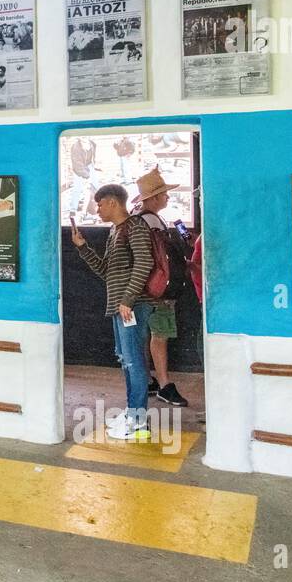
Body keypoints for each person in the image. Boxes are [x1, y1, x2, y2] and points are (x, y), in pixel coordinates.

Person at [71, 183, 156, 440]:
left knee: (134, 360)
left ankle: (139, 421)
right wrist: (83, 247)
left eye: (99, 204)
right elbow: (106, 272)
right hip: (120, 306)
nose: (97, 209)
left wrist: (128, 299)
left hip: (132, 307)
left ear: (112, 202)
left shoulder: (135, 226)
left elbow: (145, 262)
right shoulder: (115, 231)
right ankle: (132, 412)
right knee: (126, 359)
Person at [133, 169, 189, 407]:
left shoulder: (136, 219)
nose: (167, 197)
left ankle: (147, 379)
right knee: (160, 334)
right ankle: (165, 385)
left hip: (140, 290)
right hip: (158, 291)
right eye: (164, 194)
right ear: (154, 198)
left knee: (144, 335)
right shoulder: (154, 223)